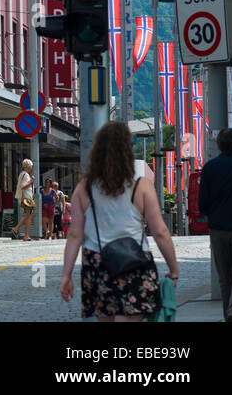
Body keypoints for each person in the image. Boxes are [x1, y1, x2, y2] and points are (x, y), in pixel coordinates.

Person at [60, 123, 177, 321]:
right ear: (127, 150)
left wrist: (66, 275)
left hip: (97, 263)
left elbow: (75, 235)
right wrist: (173, 268)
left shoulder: (84, 188)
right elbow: (160, 232)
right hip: (135, 262)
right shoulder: (142, 186)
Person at [198, 126, 232, 320]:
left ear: (218, 145)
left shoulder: (209, 168)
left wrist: (210, 215)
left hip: (218, 229)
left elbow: (202, 202)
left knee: (224, 278)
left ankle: (228, 314)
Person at [12, 158, 35, 240]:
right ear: (27, 167)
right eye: (30, 166)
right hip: (26, 198)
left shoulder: (22, 174)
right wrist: (31, 181)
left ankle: (26, 234)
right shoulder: (25, 175)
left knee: (29, 216)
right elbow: (23, 186)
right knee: (28, 216)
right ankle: (17, 229)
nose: (31, 168)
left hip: (26, 197)